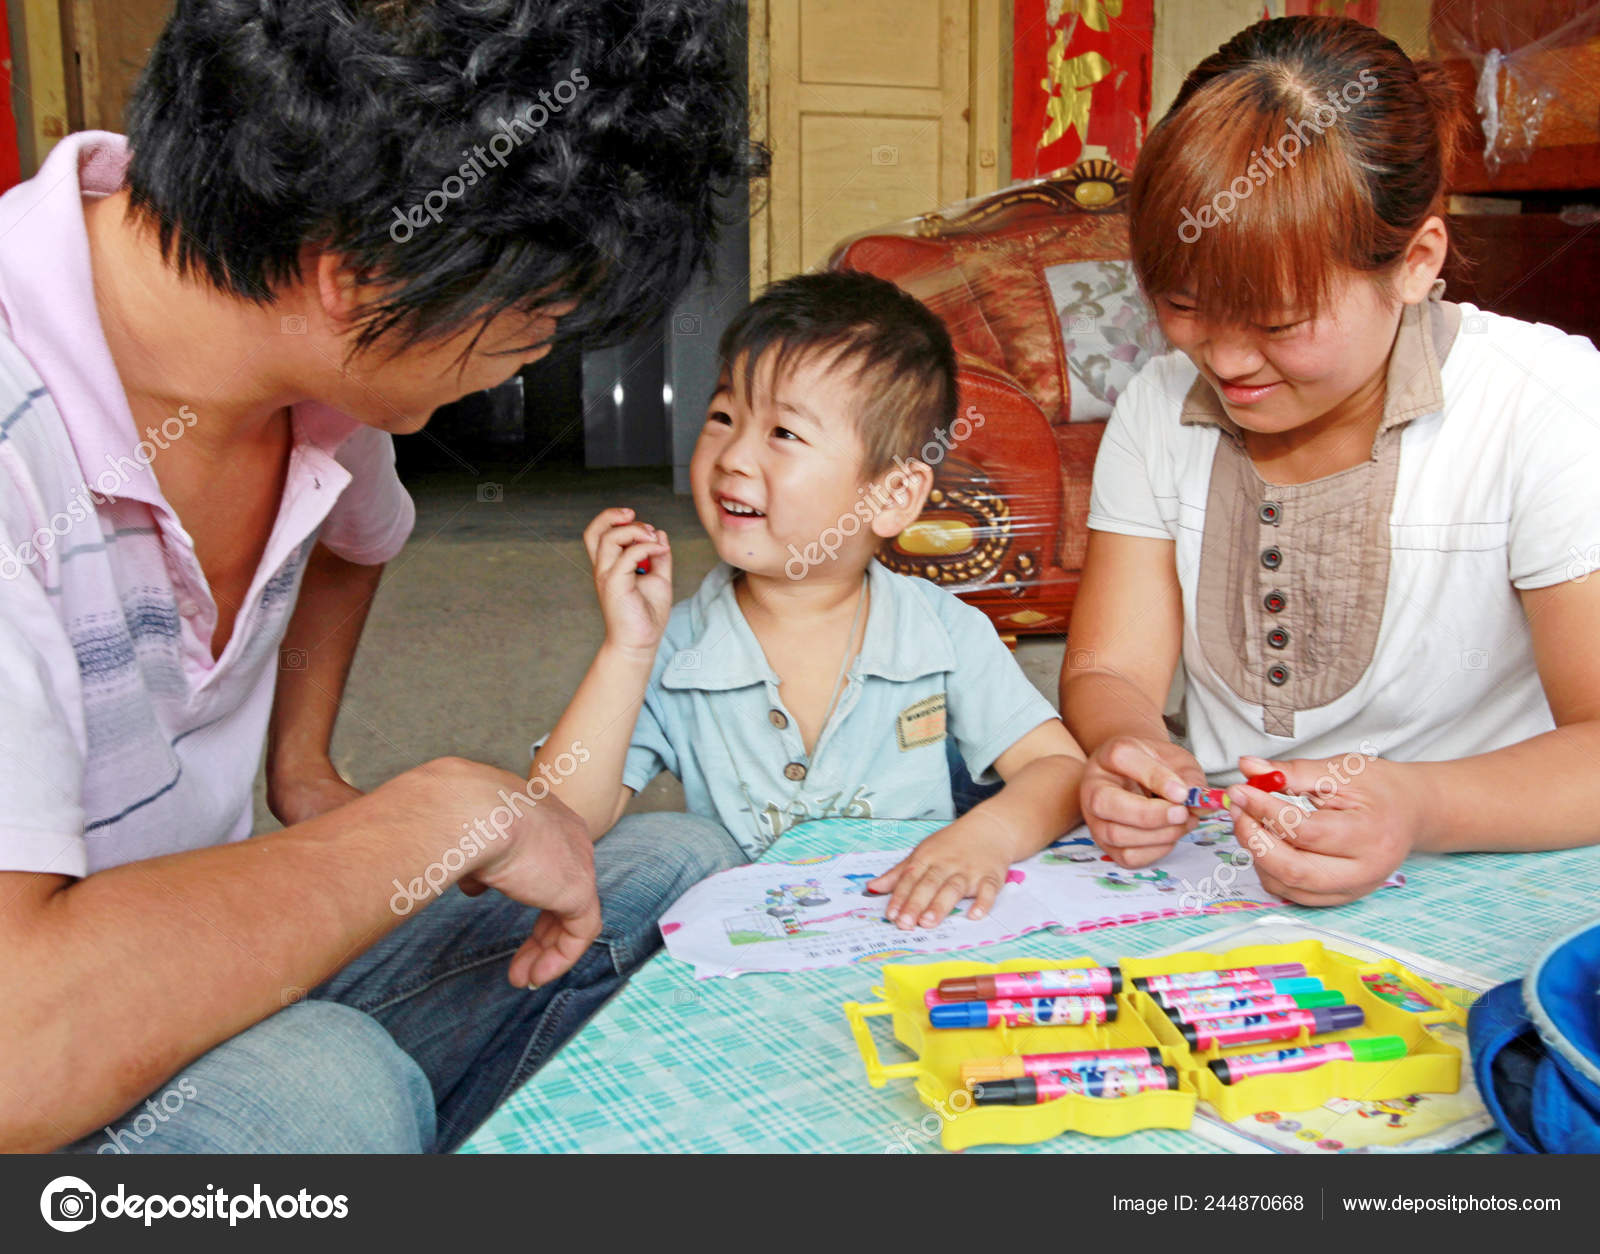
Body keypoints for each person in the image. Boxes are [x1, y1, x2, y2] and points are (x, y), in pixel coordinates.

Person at [0, 0, 760, 1153]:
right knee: (320, 1088)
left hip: (197, 974)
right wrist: (421, 825)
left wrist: (303, 772)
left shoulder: (318, 386)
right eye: (541, 316)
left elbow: (355, 540)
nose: (543, 349)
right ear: (359, 272)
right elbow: (21, 1053)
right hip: (47, 1042)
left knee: (678, 879)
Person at [1059, 15, 1600, 907]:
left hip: (1504, 881)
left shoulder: (1545, 406)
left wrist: (1419, 808)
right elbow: (1110, 671)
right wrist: (1132, 750)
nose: (1225, 359)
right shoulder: (1161, 405)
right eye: (1186, 305)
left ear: (1417, 262)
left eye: (1276, 323)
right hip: (1240, 881)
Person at [536, 271, 1087, 931]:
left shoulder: (941, 632)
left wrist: (987, 836)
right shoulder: (675, 647)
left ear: (891, 496)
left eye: (784, 434)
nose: (733, 456)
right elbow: (560, 817)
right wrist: (627, 648)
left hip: (910, 938)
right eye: (722, 417)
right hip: (741, 957)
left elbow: (1058, 770)